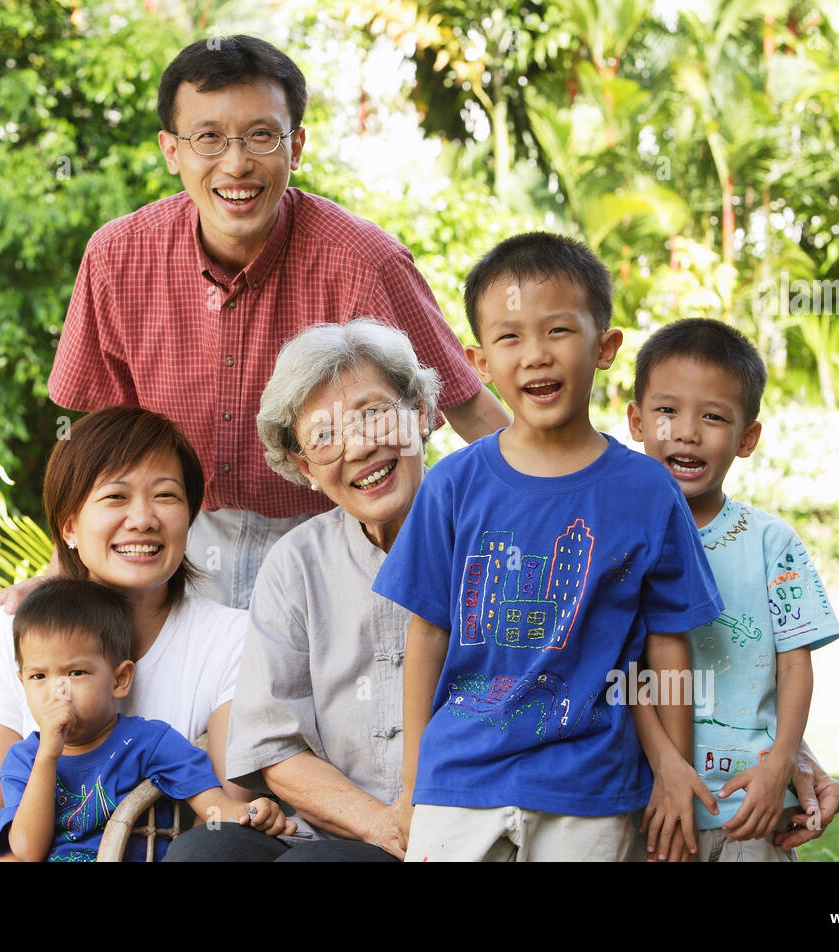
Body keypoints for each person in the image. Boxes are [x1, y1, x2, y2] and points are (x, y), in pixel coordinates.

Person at [34, 33, 508, 613]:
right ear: (171, 150)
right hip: (183, 542)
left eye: (261, 135)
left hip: (343, 534)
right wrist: (61, 569)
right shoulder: (117, 257)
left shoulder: (365, 262)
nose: (236, 163)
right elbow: (101, 441)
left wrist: (562, 506)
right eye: (208, 137)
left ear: (297, 145)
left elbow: (471, 408)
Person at [372, 232, 726, 862]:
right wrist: (412, 785)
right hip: (460, 781)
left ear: (606, 348)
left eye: (558, 331)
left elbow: (669, 641)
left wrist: (672, 769)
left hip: (590, 787)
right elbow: (425, 637)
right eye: (510, 337)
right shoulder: (453, 485)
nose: (535, 355)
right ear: (480, 362)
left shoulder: (647, 490)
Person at [165, 319, 437, 862]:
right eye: (324, 436)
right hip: (335, 832)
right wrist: (379, 823)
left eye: (373, 413)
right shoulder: (295, 564)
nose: (358, 447)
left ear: (420, 414)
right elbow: (273, 744)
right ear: (303, 467)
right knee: (202, 854)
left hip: (454, 831)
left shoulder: (487, 534)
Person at [0, 407, 249, 861]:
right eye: (115, 497)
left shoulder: (231, 638)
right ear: (69, 526)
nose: (143, 518)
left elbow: (228, 821)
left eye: (166, 496)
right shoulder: (14, 633)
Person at [626, 317, 839, 861]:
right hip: (651, 809)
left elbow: (795, 665)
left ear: (747, 438)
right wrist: (666, 769)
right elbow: (622, 670)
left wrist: (781, 767)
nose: (687, 431)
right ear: (636, 419)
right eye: (667, 410)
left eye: (714, 417)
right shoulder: (619, 539)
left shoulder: (772, 542)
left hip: (753, 808)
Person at [0, 578, 292, 862]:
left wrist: (249, 812)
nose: (58, 691)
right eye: (38, 676)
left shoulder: (146, 742)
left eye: (76, 673)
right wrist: (47, 756)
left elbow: (214, 804)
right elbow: (27, 850)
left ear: (120, 680)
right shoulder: (24, 760)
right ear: (22, 683)